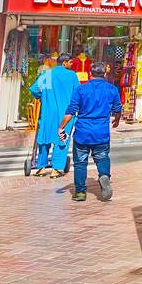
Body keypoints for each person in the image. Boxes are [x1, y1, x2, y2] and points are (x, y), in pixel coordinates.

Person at [58, 61, 123, 202]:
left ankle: (80, 192)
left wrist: (61, 127)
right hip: (101, 132)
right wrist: (116, 120)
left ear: (90, 73)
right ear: (104, 74)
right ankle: (104, 175)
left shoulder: (81, 89)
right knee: (102, 157)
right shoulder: (112, 89)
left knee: (80, 162)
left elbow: (71, 110)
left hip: (82, 132)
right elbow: (118, 108)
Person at [29, 54, 79, 178]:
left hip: (47, 112)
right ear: (64, 63)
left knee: (44, 138)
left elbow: (34, 89)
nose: (71, 64)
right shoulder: (72, 75)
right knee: (62, 138)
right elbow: (78, 93)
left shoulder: (47, 74)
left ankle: (41, 167)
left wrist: (43, 97)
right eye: (70, 62)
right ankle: (56, 168)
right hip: (65, 115)